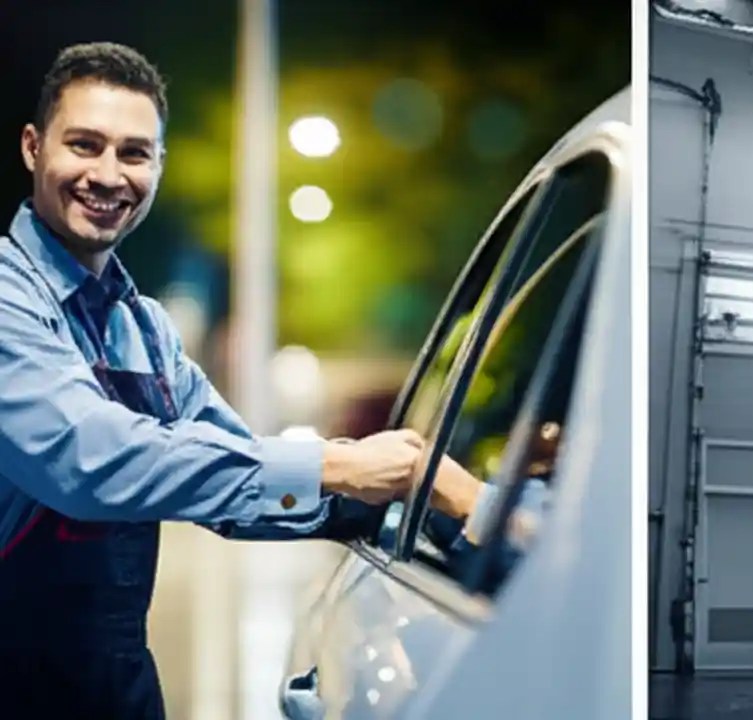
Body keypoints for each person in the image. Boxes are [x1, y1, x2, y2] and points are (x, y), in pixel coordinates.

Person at [0, 41, 483, 719]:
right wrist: (338, 461)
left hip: (117, 690)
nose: (108, 175)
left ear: (158, 166)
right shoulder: (9, 297)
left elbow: (237, 485)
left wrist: (404, 499)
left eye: (134, 153)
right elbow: (91, 459)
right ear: (32, 146)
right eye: (84, 145)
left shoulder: (145, 329)